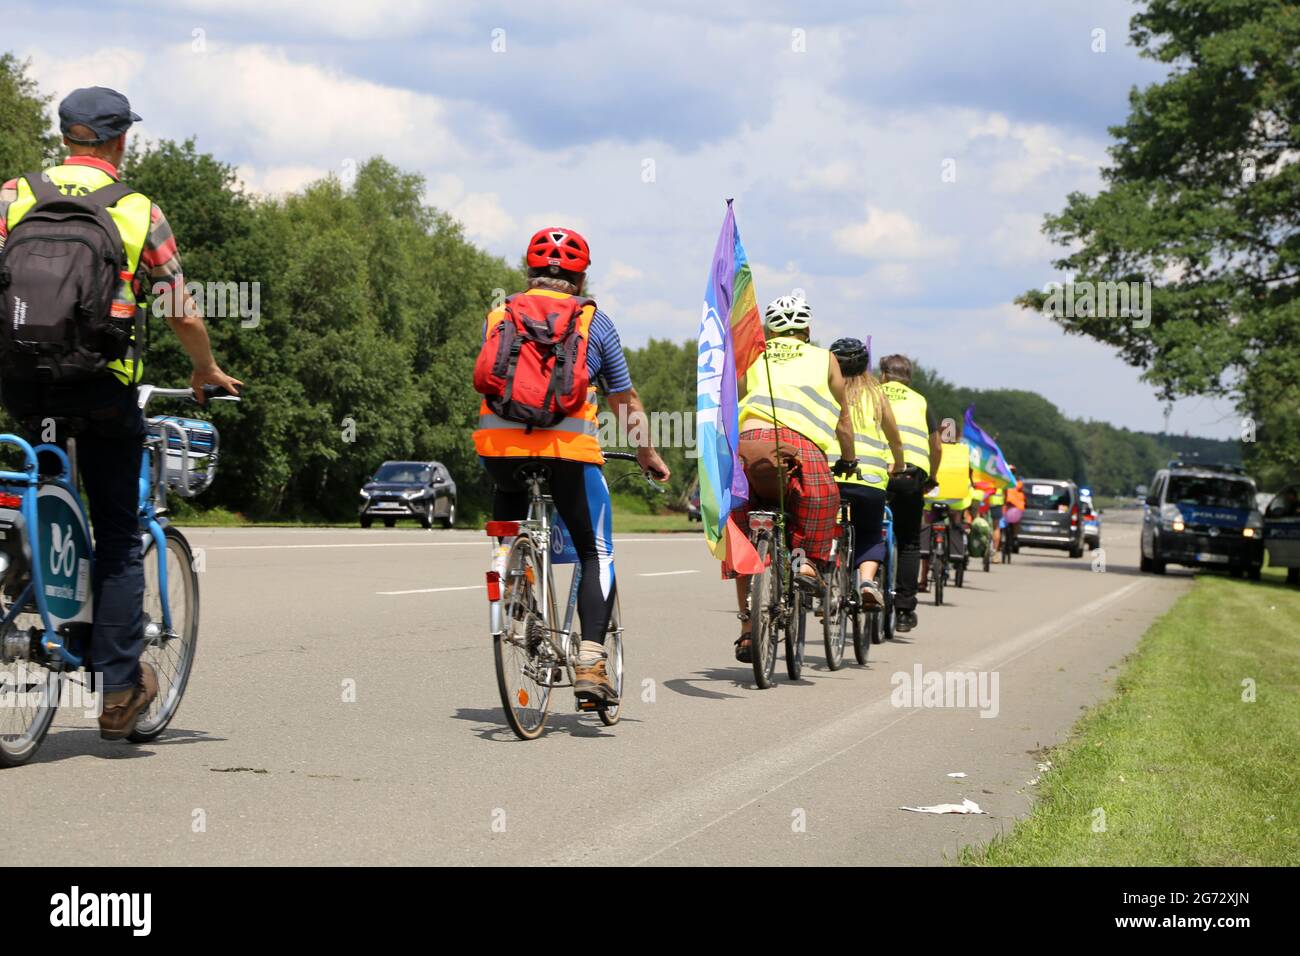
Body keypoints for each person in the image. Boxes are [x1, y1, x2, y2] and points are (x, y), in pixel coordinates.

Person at [0, 87, 242, 739]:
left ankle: (26, 557)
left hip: (26, 386)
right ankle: (117, 686)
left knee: (42, 481)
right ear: (120, 139)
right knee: (116, 532)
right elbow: (180, 309)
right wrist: (204, 369)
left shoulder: (13, 194)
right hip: (103, 391)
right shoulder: (136, 210)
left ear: (65, 135)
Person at [473, 226, 670, 705]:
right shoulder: (594, 322)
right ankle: (588, 661)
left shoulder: (500, 314)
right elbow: (624, 399)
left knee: (509, 516)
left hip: (500, 450)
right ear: (580, 279)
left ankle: (513, 574)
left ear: (529, 272)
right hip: (567, 453)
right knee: (594, 550)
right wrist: (645, 451)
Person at [729, 294, 855, 662]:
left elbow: (736, 399)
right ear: (808, 330)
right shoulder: (824, 357)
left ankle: (748, 630)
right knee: (821, 499)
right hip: (799, 447)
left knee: (741, 532)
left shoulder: (752, 355)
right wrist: (848, 457)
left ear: (769, 330)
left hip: (748, 444)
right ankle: (807, 562)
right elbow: (844, 419)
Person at [827, 338, 905, 607]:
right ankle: (867, 581)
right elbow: (894, 438)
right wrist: (900, 464)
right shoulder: (876, 393)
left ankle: (824, 581)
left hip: (829, 474)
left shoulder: (824, 390)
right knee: (871, 532)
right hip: (870, 479)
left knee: (820, 527)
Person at [878, 355, 942, 634]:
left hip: (874, 471)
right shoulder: (920, 401)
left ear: (883, 375)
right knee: (909, 542)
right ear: (909, 379)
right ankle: (904, 611)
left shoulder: (870, 393)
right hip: (909, 477)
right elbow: (936, 445)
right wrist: (932, 477)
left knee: (864, 529)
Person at [919, 444, 977, 590]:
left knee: (926, 525)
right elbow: (969, 477)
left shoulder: (931, 448)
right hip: (955, 501)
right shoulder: (962, 452)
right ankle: (956, 553)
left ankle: (923, 580)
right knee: (956, 522)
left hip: (931, 499)